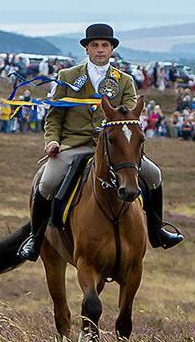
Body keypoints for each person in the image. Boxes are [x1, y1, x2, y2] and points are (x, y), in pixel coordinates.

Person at [17, 24, 184, 261]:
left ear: (111, 49)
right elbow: (54, 116)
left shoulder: (124, 80)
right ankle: (35, 239)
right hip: (75, 144)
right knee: (47, 183)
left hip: (114, 147)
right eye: (94, 45)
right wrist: (52, 140)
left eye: (105, 45)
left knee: (154, 174)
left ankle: (157, 232)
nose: (100, 50)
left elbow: (129, 116)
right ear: (86, 49)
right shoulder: (67, 77)